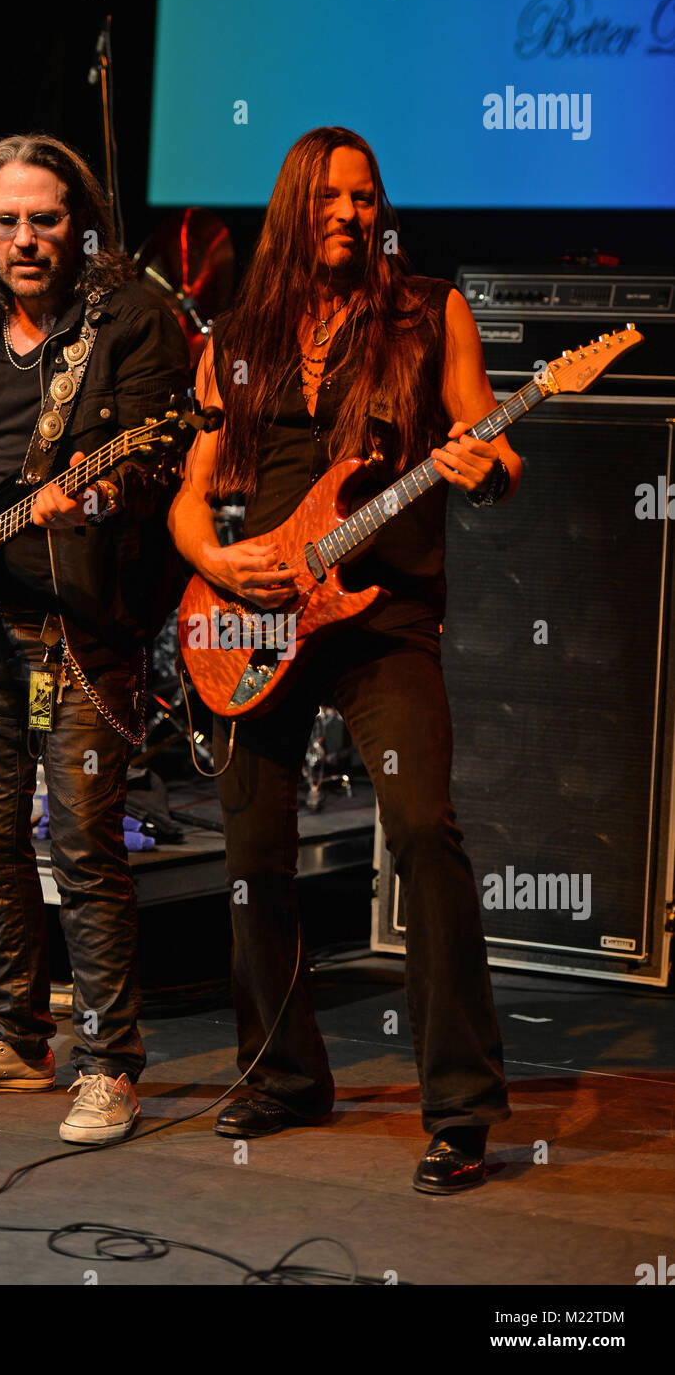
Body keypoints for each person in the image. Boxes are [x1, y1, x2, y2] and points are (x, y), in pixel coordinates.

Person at [169, 126, 522, 1194]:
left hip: (384, 619)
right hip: (256, 618)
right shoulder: (238, 335)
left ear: (381, 209)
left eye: (363, 198)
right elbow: (189, 496)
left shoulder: (428, 311)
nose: (347, 214)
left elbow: (491, 444)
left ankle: (460, 1108)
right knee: (250, 860)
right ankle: (282, 1076)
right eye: (327, 198)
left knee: (422, 829)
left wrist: (484, 465)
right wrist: (218, 562)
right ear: (294, 208)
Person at [0, 134, 190, 1143]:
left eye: (45, 219)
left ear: (79, 222)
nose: (25, 239)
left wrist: (92, 497)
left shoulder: (131, 319)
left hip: (76, 623)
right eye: (6, 220)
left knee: (86, 848)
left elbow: (154, 458)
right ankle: (16, 1039)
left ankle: (110, 1065)